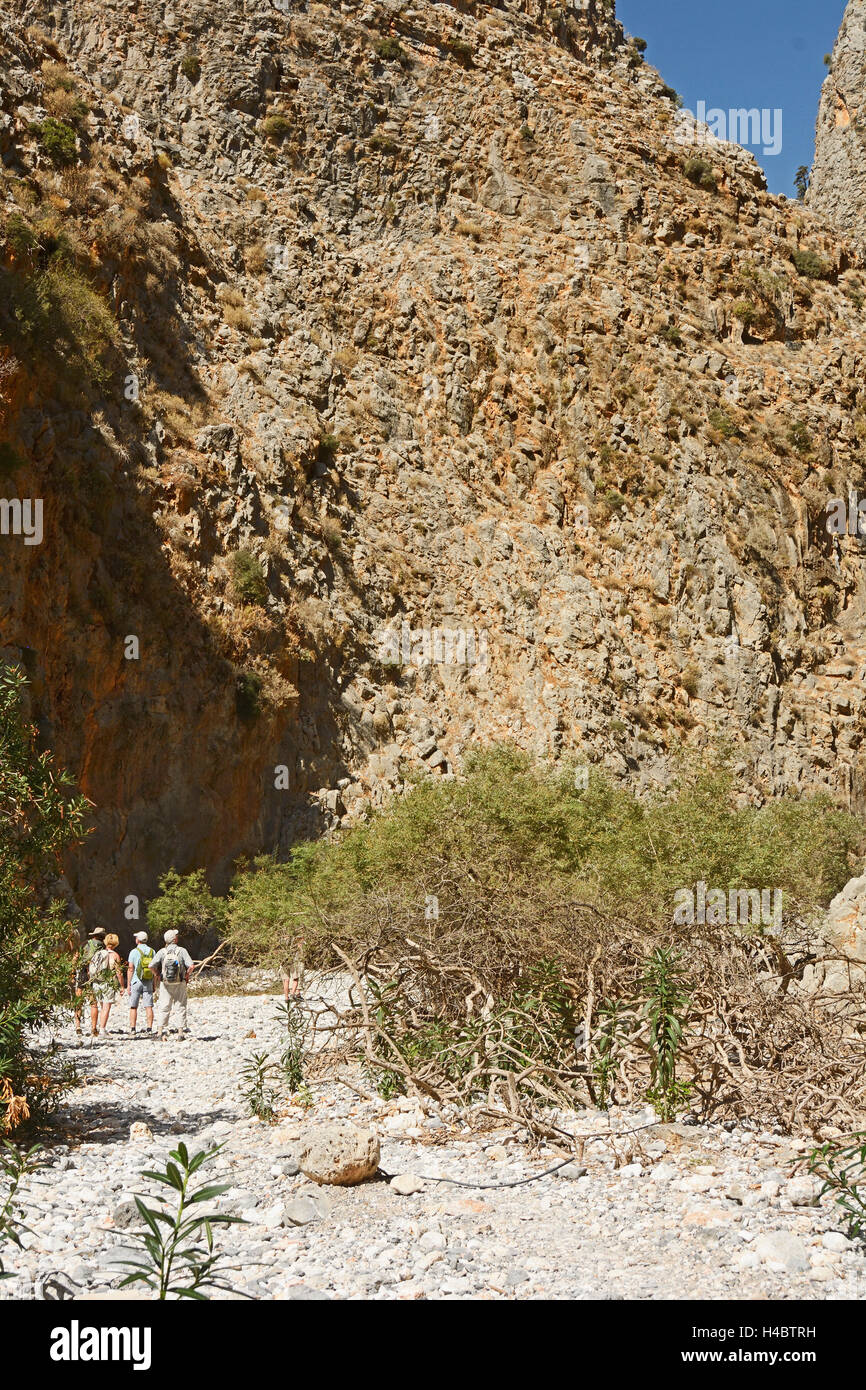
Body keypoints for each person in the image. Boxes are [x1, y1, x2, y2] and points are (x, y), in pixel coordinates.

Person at [151, 930, 193, 1040]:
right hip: (180, 982)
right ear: (175, 939)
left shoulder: (162, 952)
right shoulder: (182, 951)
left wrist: (157, 974)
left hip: (165, 983)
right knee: (180, 1006)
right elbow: (191, 966)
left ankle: (160, 1033)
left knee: (164, 1006)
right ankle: (180, 1034)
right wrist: (187, 976)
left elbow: (151, 965)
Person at [74, 927, 105, 1043]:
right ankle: (93, 1028)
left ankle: (78, 1026)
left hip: (82, 971)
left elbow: (76, 957)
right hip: (94, 974)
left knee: (79, 999)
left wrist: (72, 972)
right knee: (93, 1003)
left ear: (94, 935)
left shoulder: (85, 943)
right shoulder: (102, 946)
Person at [91, 932, 126, 1037]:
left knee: (101, 1005)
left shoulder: (99, 953)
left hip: (97, 983)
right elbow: (118, 973)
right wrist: (121, 986)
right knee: (106, 1007)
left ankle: (98, 1028)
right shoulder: (115, 955)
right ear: (115, 944)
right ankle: (102, 1029)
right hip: (108, 984)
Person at [127, 930, 156, 1036]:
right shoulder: (152, 951)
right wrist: (154, 983)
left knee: (133, 1006)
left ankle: (133, 1028)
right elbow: (154, 968)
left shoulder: (133, 952)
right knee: (148, 1006)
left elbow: (130, 968)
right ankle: (149, 1028)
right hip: (148, 981)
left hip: (136, 981)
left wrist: (128, 984)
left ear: (138, 940)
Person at [281, 936, 305, 1000]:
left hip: (284, 962)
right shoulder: (294, 942)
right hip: (293, 962)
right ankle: (293, 994)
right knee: (296, 978)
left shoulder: (281, 942)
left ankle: (287, 997)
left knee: (286, 980)